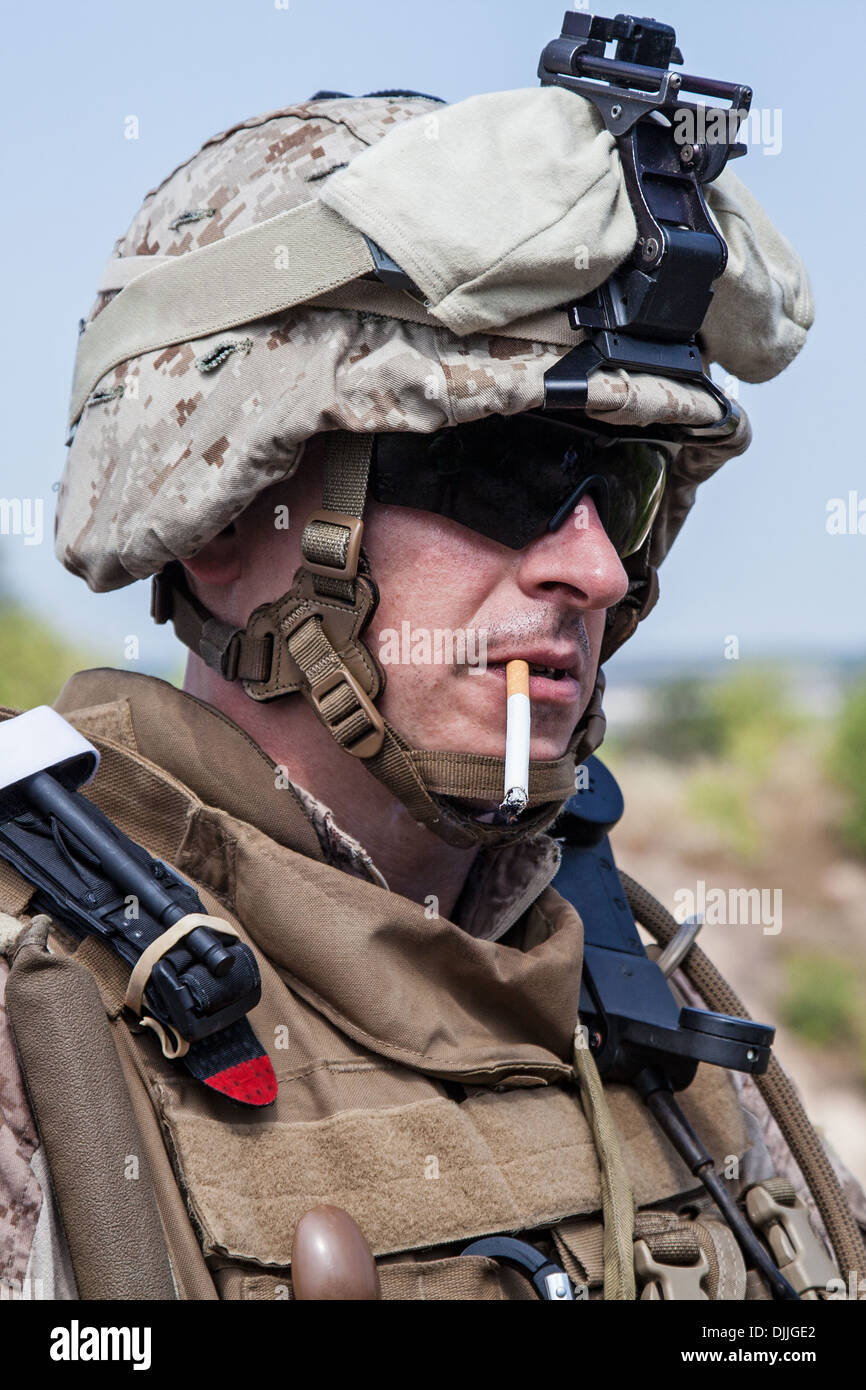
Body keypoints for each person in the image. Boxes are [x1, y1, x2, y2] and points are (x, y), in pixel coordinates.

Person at [1, 55, 864, 1302]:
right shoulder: (39, 1015)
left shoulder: (624, 972)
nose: (592, 572)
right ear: (220, 512)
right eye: (499, 474)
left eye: (615, 492)